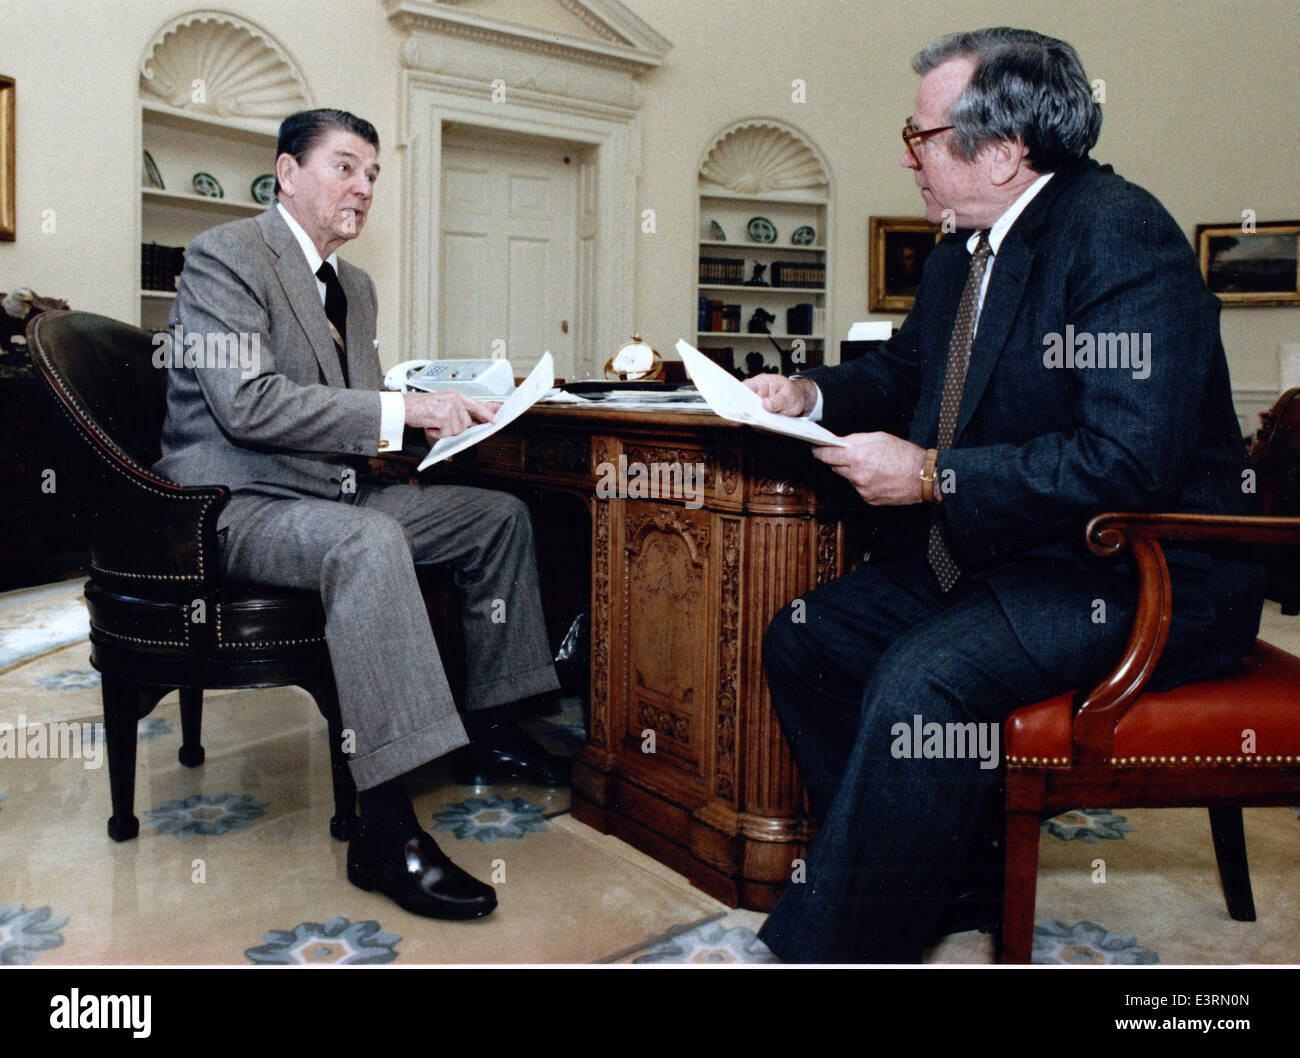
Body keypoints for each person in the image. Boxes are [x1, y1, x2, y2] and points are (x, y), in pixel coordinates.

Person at [745, 28, 1265, 963]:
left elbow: (1127, 460)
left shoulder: (1117, 230)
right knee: (806, 638)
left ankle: (850, 944)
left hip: (1147, 570)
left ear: (1002, 147)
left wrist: (933, 474)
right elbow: (904, 372)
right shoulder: (961, 252)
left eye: (922, 137)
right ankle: (948, 871)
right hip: (1017, 552)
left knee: (922, 680)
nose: (909, 157)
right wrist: (806, 393)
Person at [154, 108, 562, 922]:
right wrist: (403, 410)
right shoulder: (223, 257)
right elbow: (247, 405)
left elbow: (354, 421)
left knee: (497, 516)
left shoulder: (358, 289)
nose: (363, 187)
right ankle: (382, 829)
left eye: (372, 173)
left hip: (330, 496)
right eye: (345, 166)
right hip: (235, 505)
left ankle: (493, 718)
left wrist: (448, 423)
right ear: (288, 173)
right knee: (371, 542)